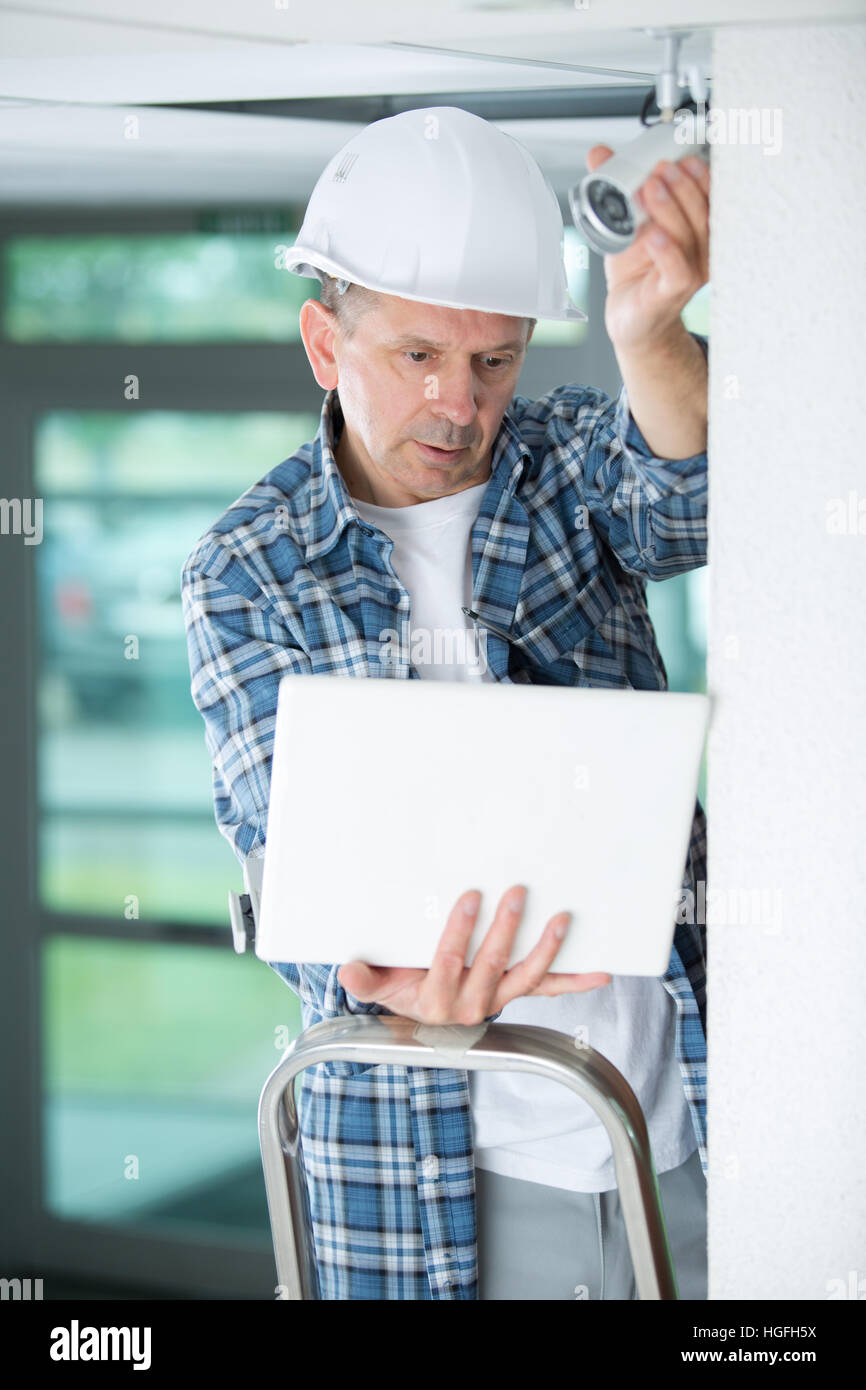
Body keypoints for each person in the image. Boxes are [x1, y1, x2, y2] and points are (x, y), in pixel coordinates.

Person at [181, 106, 710, 1300]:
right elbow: (297, 862)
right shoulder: (250, 569)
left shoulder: (567, 459)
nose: (459, 407)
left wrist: (648, 331)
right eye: (415, 356)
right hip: (436, 1179)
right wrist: (384, 972)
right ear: (325, 345)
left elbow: (688, 500)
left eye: (492, 361)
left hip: (672, 1130)